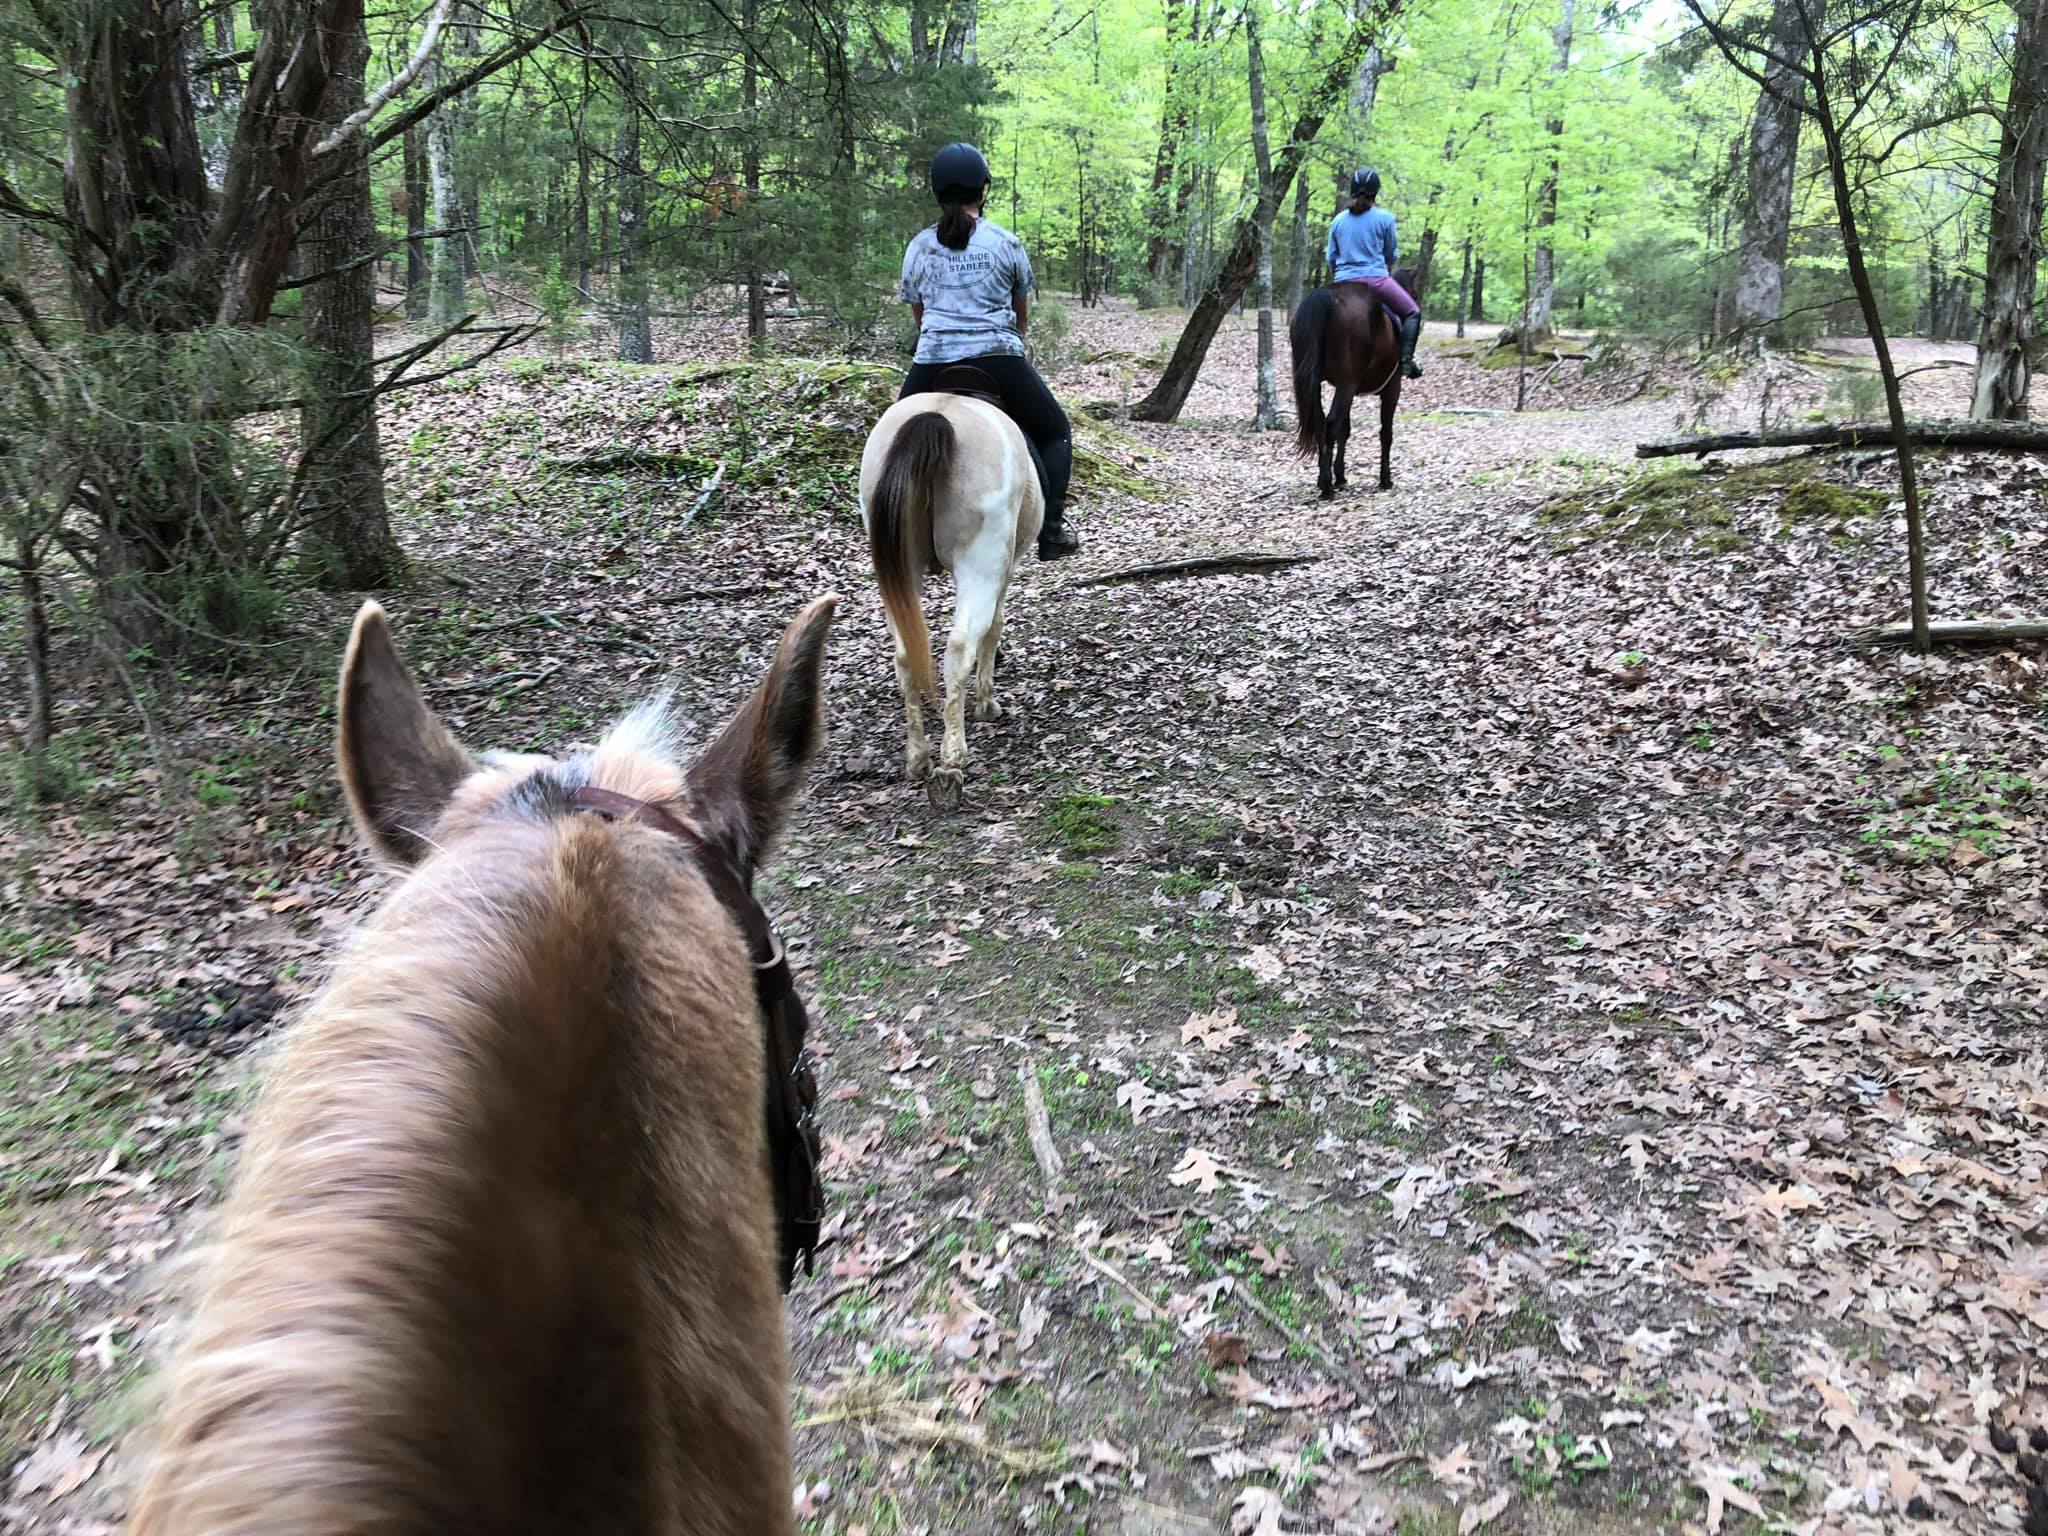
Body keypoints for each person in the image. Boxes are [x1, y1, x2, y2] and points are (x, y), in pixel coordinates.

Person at [898, 142, 1079, 560]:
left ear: (937, 192)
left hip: (932, 360)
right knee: (1055, 433)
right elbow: (1021, 315)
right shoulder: (1005, 243)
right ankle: (1051, 530)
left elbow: (920, 316)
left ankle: (882, 519)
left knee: (891, 442)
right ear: (983, 190)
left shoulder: (918, 247)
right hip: (998, 359)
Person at [1325, 168, 1423, 380]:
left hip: (1342, 281)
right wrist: (1384, 271)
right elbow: (1390, 254)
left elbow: (1331, 257)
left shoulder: (1338, 221)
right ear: (1375, 193)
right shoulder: (1385, 219)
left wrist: (1339, 277)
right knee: (1413, 312)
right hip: (1375, 280)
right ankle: (1406, 362)